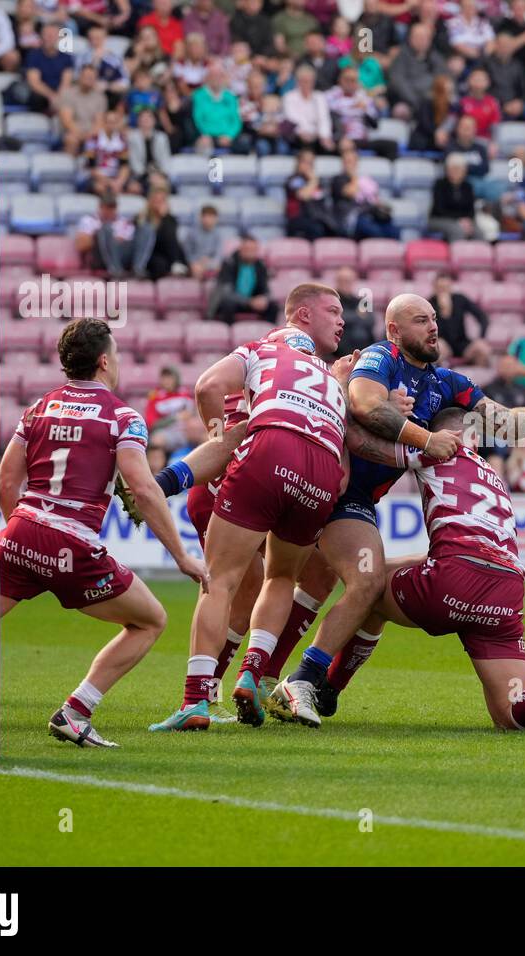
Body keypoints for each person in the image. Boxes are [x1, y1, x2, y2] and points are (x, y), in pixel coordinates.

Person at [271, 295, 525, 725]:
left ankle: (293, 681)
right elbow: (365, 405)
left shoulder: (447, 383)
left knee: (334, 587)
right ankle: (301, 681)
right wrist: (422, 437)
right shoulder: (379, 358)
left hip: (361, 500)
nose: (433, 326)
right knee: (337, 583)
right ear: (393, 331)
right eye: (421, 320)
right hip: (331, 482)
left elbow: (504, 423)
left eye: (435, 319)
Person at [275, 406, 525, 732]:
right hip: (506, 593)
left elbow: (363, 441)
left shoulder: (437, 448)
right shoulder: (494, 476)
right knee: (509, 713)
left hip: (453, 581)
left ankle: (327, 686)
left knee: (368, 589)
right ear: (475, 439)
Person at [0, 320, 209, 748]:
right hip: (72, 541)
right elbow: (145, 490)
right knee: (150, 620)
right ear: (105, 361)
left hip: (20, 531)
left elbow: (5, 483)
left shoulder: (37, 408)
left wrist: (22, 538)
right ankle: (75, 712)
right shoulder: (122, 416)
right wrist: (183, 557)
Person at [148, 289, 353, 730]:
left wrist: (216, 434)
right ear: (302, 317)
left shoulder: (263, 351)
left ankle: (196, 700)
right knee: (278, 578)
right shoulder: (333, 380)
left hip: (257, 460)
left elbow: (208, 390)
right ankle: (252, 674)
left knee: (221, 581)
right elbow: (343, 476)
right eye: (333, 311)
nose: (343, 321)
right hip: (320, 469)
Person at [209, 234, 277, 323]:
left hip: (252, 302)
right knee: (228, 304)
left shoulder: (260, 266)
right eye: (247, 249)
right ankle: (229, 333)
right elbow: (227, 293)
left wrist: (263, 299)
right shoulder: (229, 263)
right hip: (235, 302)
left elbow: (266, 290)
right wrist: (249, 301)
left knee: (273, 306)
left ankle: (267, 334)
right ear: (240, 249)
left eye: (253, 250)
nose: (250, 253)